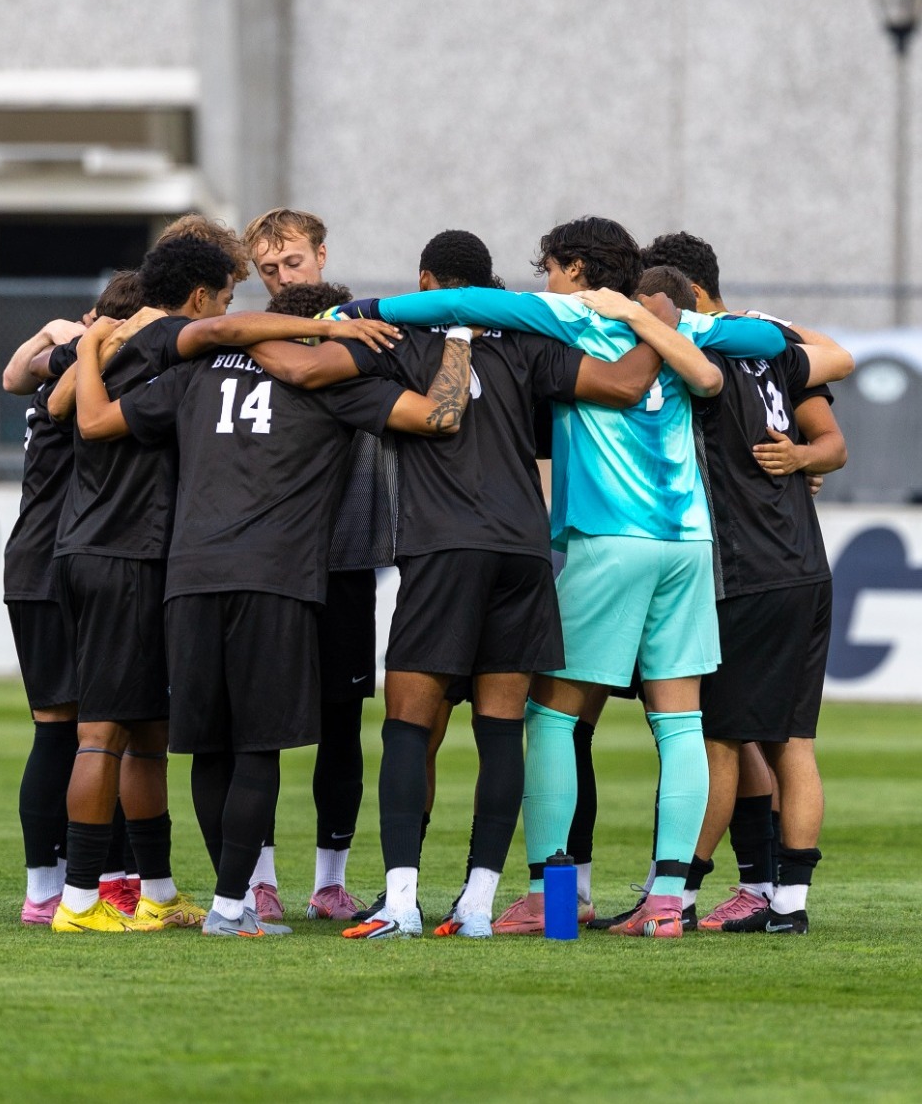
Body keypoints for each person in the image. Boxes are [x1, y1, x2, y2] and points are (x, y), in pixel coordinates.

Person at [368, 216, 802, 938]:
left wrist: (355, 312)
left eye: (550, 268)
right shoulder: (677, 328)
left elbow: (458, 305)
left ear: (572, 268)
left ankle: (556, 902)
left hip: (611, 538)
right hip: (689, 541)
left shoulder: (569, 316)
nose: (543, 282)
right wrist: (668, 315)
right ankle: (669, 904)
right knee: (680, 720)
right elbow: (773, 341)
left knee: (552, 717)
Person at [255, 230, 680, 939]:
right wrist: (658, 324)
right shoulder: (523, 344)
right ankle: (479, 904)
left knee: (407, 728)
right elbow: (628, 384)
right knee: (501, 730)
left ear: (426, 282)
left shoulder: (393, 341)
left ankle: (400, 901)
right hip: (523, 550)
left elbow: (305, 370)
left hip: (442, 549)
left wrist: (223, 333)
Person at [72, 273, 470, 939]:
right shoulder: (328, 381)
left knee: (206, 747)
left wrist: (86, 353)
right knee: (259, 746)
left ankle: (235, 901)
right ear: (317, 331)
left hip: (189, 577)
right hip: (278, 579)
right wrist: (459, 336)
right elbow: (437, 415)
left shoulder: (194, 374)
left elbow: (95, 422)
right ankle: (231, 907)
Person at [632, 232, 855, 935]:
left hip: (745, 570)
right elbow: (832, 437)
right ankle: (780, 899)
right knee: (790, 739)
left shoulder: (700, 357)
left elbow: (828, 445)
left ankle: (678, 890)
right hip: (805, 565)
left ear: (688, 298)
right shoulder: (775, 350)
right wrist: (800, 457)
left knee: (717, 739)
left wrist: (799, 457)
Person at [237, 206, 384, 923]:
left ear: (321, 257)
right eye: (267, 269)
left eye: (290, 263)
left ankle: (331, 877)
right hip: (268, 558)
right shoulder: (250, 339)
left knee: (341, 721)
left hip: (346, 552)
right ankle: (259, 876)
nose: (280, 276)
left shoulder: (367, 328)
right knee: (256, 723)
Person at [0, 304, 91, 926]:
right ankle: (80, 885)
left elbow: (12, 375)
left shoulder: (48, 380)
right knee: (87, 733)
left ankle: (46, 887)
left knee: (60, 731)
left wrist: (58, 330)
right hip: (64, 565)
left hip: (29, 563)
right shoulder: (87, 382)